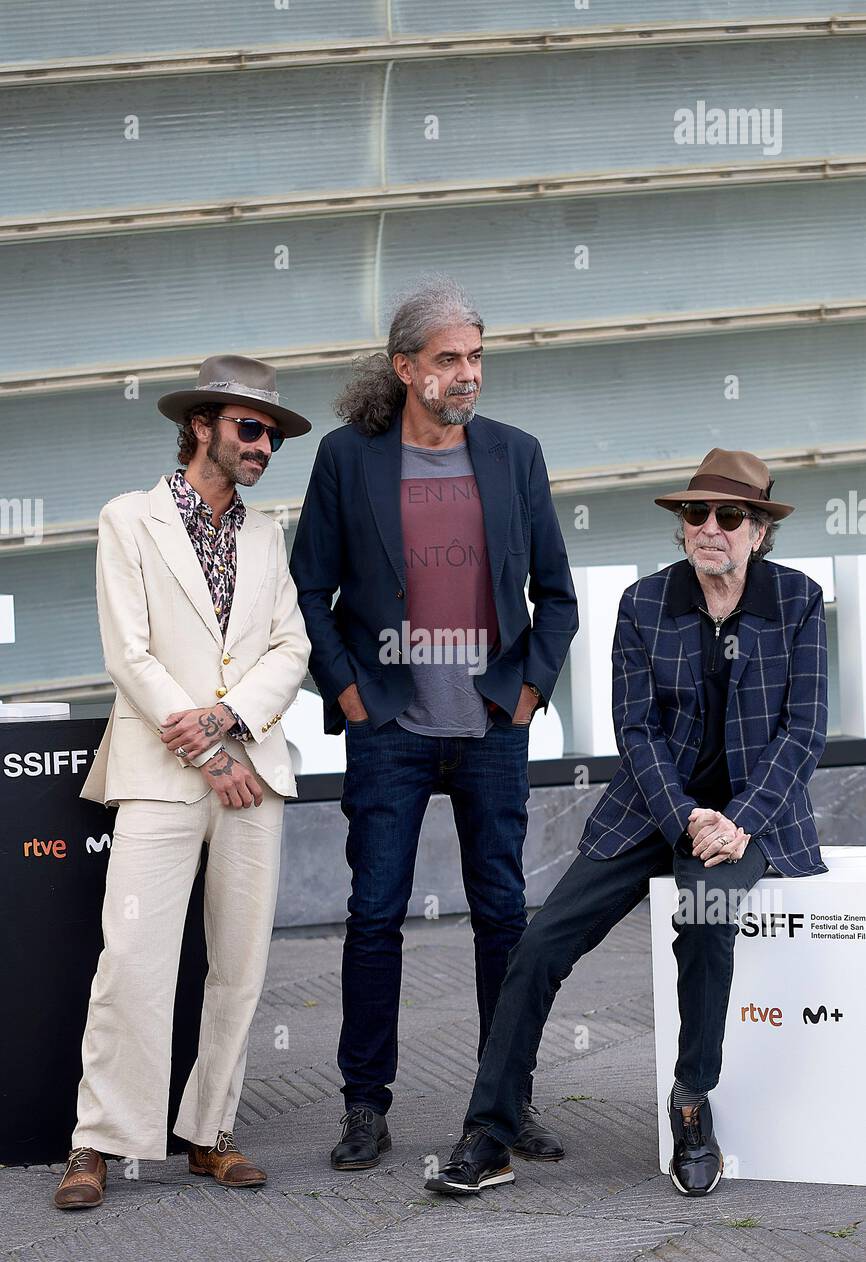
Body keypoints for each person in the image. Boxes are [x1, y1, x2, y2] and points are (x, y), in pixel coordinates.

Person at [427, 448, 828, 1197]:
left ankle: (691, 1103)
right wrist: (686, 817)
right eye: (694, 514)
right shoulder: (644, 604)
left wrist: (735, 823)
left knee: (706, 921)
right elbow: (635, 731)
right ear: (681, 528)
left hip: (751, 817)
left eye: (729, 516)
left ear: (759, 532)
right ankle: (490, 1129)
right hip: (652, 806)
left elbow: (802, 732)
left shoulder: (798, 601)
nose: (709, 528)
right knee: (539, 942)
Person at [290, 277, 579, 1169]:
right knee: (374, 916)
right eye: (449, 358)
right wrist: (346, 694)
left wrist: (526, 694)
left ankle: (505, 1102)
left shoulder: (515, 455)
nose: (468, 374)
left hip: (491, 724)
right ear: (404, 365)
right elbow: (310, 588)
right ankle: (365, 1107)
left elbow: (556, 596)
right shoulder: (347, 458)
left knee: (503, 915)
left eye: (476, 356)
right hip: (391, 726)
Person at [53, 355, 312, 1209]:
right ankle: (99, 1140)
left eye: (272, 433)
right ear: (201, 425)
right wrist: (206, 752)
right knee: (132, 959)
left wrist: (232, 725)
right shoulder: (128, 519)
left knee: (237, 967)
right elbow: (128, 654)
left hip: (254, 771)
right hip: (163, 774)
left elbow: (292, 649)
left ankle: (210, 1131)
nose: (263, 445)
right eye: (249, 427)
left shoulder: (268, 533)